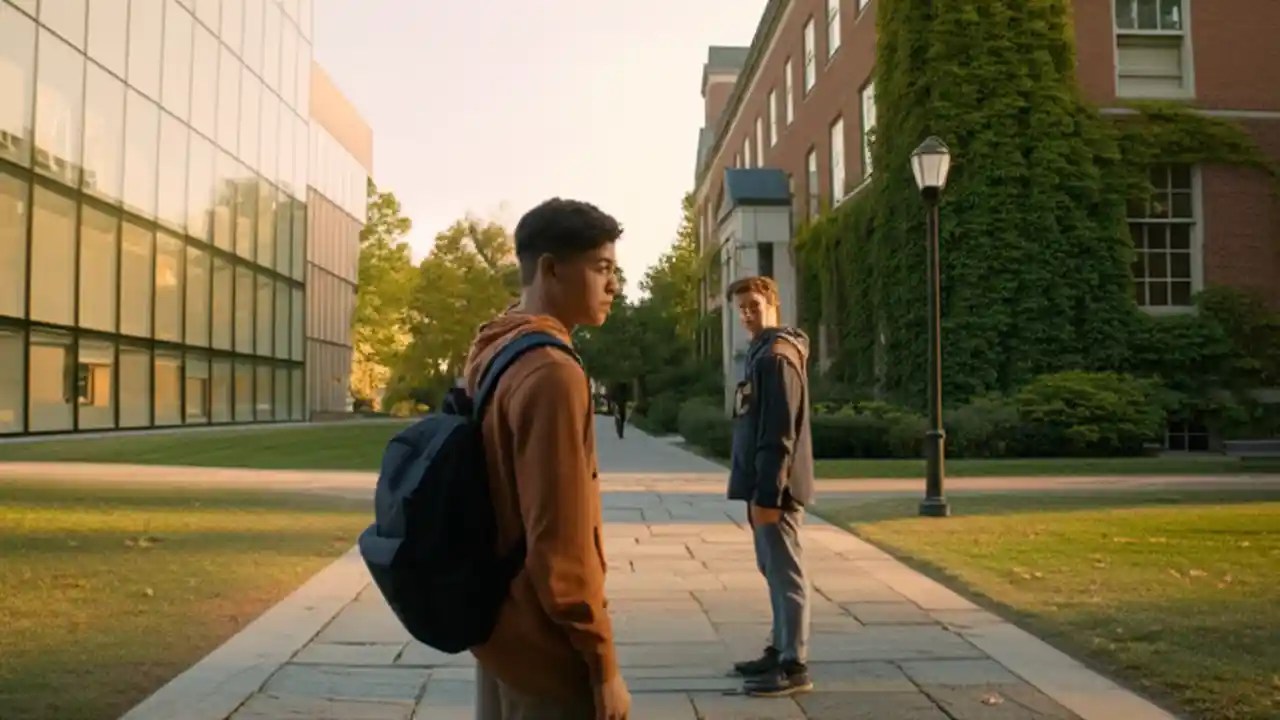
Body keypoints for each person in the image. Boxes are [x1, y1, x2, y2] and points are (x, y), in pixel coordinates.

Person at [462, 198, 631, 720]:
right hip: (546, 648)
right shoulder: (553, 374)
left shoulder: (495, 347)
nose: (614, 285)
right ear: (551, 269)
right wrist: (602, 663)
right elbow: (559, 543)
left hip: (499, 627)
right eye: (602, 268)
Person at [724, 275, 816, 698]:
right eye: (741, 308)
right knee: (773, 569)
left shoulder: (776, 357)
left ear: (773, 305)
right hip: (762, 484)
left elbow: (780, 433)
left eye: (754, 306)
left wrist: (767, 494)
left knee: (785, 572)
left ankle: (793, 665)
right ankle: (779, 647)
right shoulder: (763, 352)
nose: (746, 314)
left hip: (774, 488)